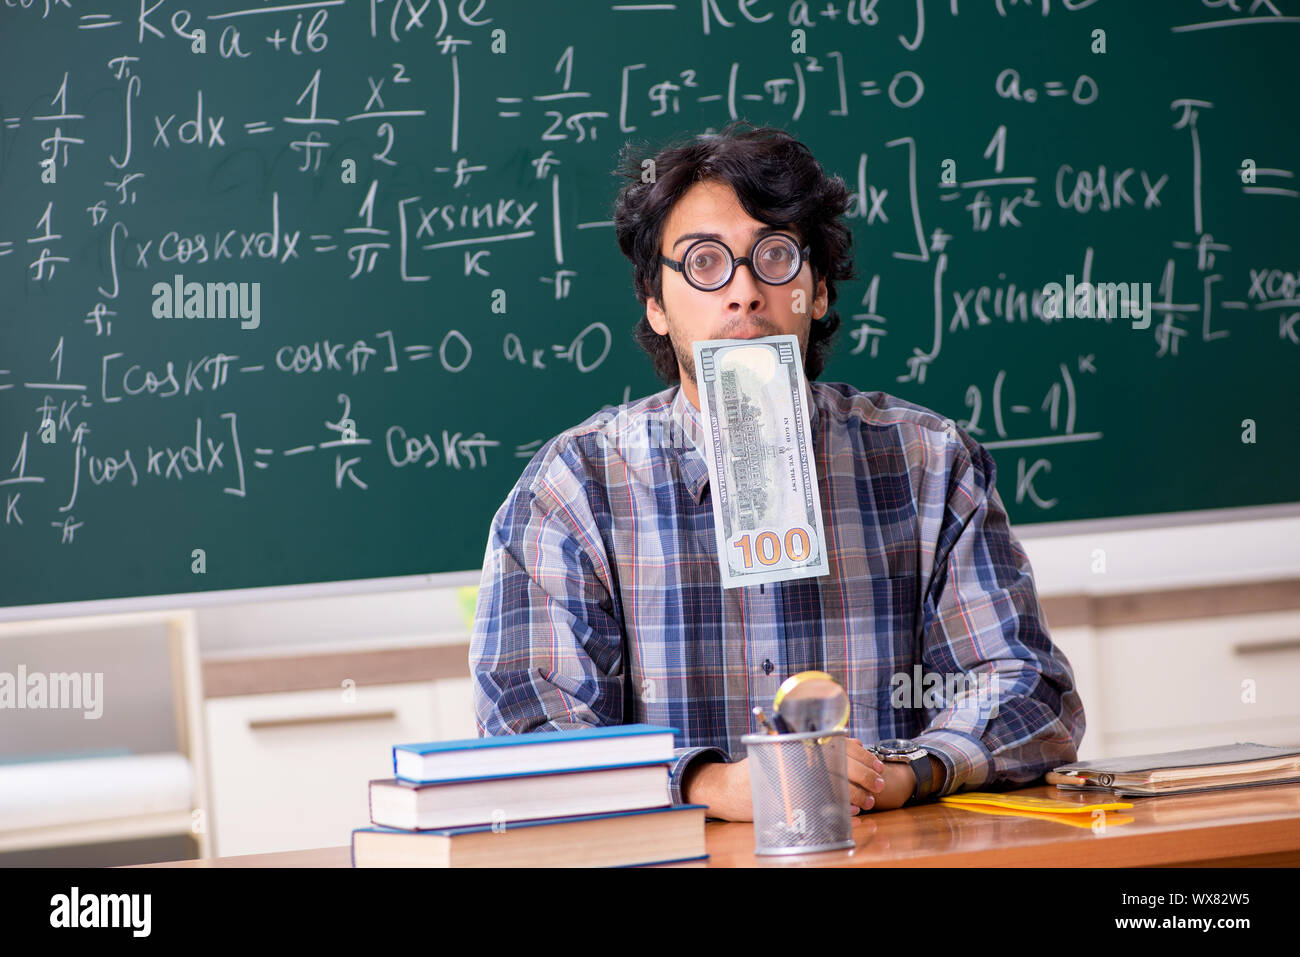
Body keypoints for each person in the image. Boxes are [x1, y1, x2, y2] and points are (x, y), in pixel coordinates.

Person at [469, 122, 1085, 821]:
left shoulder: (929, 461)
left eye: (776, 256)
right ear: (654, 302)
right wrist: (706, 784)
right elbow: (528, 723)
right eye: (704, 263)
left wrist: (903, 770)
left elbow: (1028, 687)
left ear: (818, 290)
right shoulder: (574, 486)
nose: (744, 291)